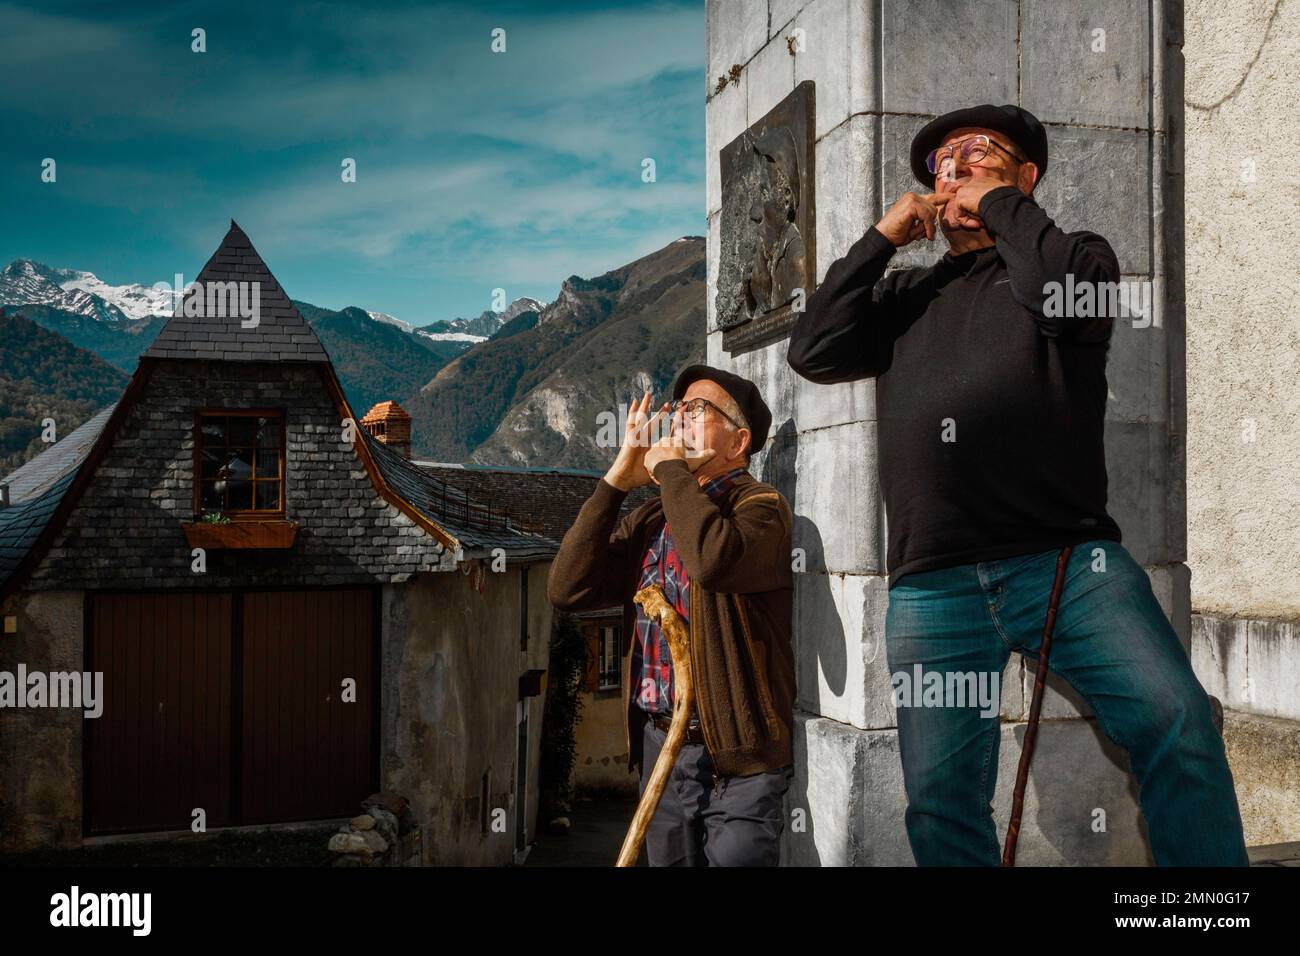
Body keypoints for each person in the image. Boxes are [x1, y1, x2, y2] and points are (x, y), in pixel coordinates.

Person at [786, 103, 1248, 866]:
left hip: (1067, 566)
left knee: (1177, 721)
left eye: (979, 153)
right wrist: (879, 242)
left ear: (1026, 176)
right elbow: (814, 348)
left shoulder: (1076, 258)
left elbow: (1064, 300)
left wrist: (1002, 207)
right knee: (940, 799)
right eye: (942, 162)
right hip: (933, 588)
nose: (955, 167)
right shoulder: (907, 299)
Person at [547, 364, 795, 865]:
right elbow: (567, 588)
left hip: (740, 759)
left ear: (738, 441)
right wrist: (617, 482)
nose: (679, 419)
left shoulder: (761, 508)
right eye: (678, 409)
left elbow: (711, 560)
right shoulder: (652, 519)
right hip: (662, 746)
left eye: (698, 410)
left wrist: (669, 471)